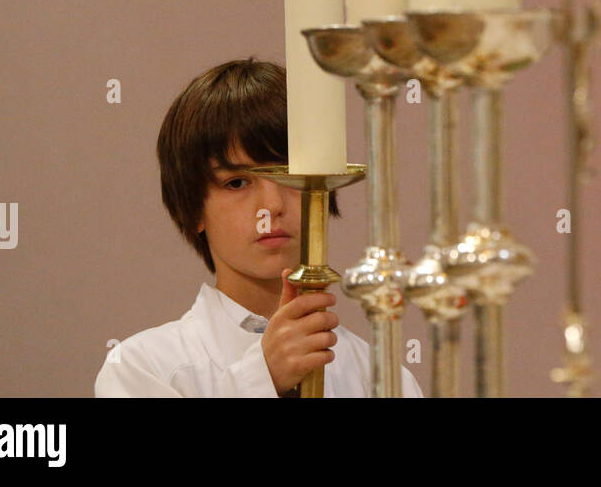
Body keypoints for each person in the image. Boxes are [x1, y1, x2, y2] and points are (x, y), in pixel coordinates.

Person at [95, 59, 422, 397]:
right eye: (237, 183)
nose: (272, 206)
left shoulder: (383, 380)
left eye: (292, 177)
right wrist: (263, 379)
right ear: (192, 209)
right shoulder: (141, 367)